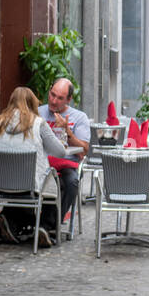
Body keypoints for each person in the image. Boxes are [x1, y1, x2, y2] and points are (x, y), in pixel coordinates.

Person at [0, 87, 68, 246]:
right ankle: (44, 226)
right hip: (31, 186)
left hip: (1, 187)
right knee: (57, 184)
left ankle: (12, 223)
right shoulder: (38, 124)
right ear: (32, 103)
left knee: (19, 192)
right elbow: (60, 152)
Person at [39, 77, 89, 227]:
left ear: (69, 99)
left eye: (60, 98)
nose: (54, 101)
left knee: (71, 182)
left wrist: (67, 131)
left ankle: (50, 226)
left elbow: (84, 151)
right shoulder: (38, 112)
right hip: (41, 163)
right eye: (52, 95)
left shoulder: (79, 117)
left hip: (67, 164)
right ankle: (13, 221)